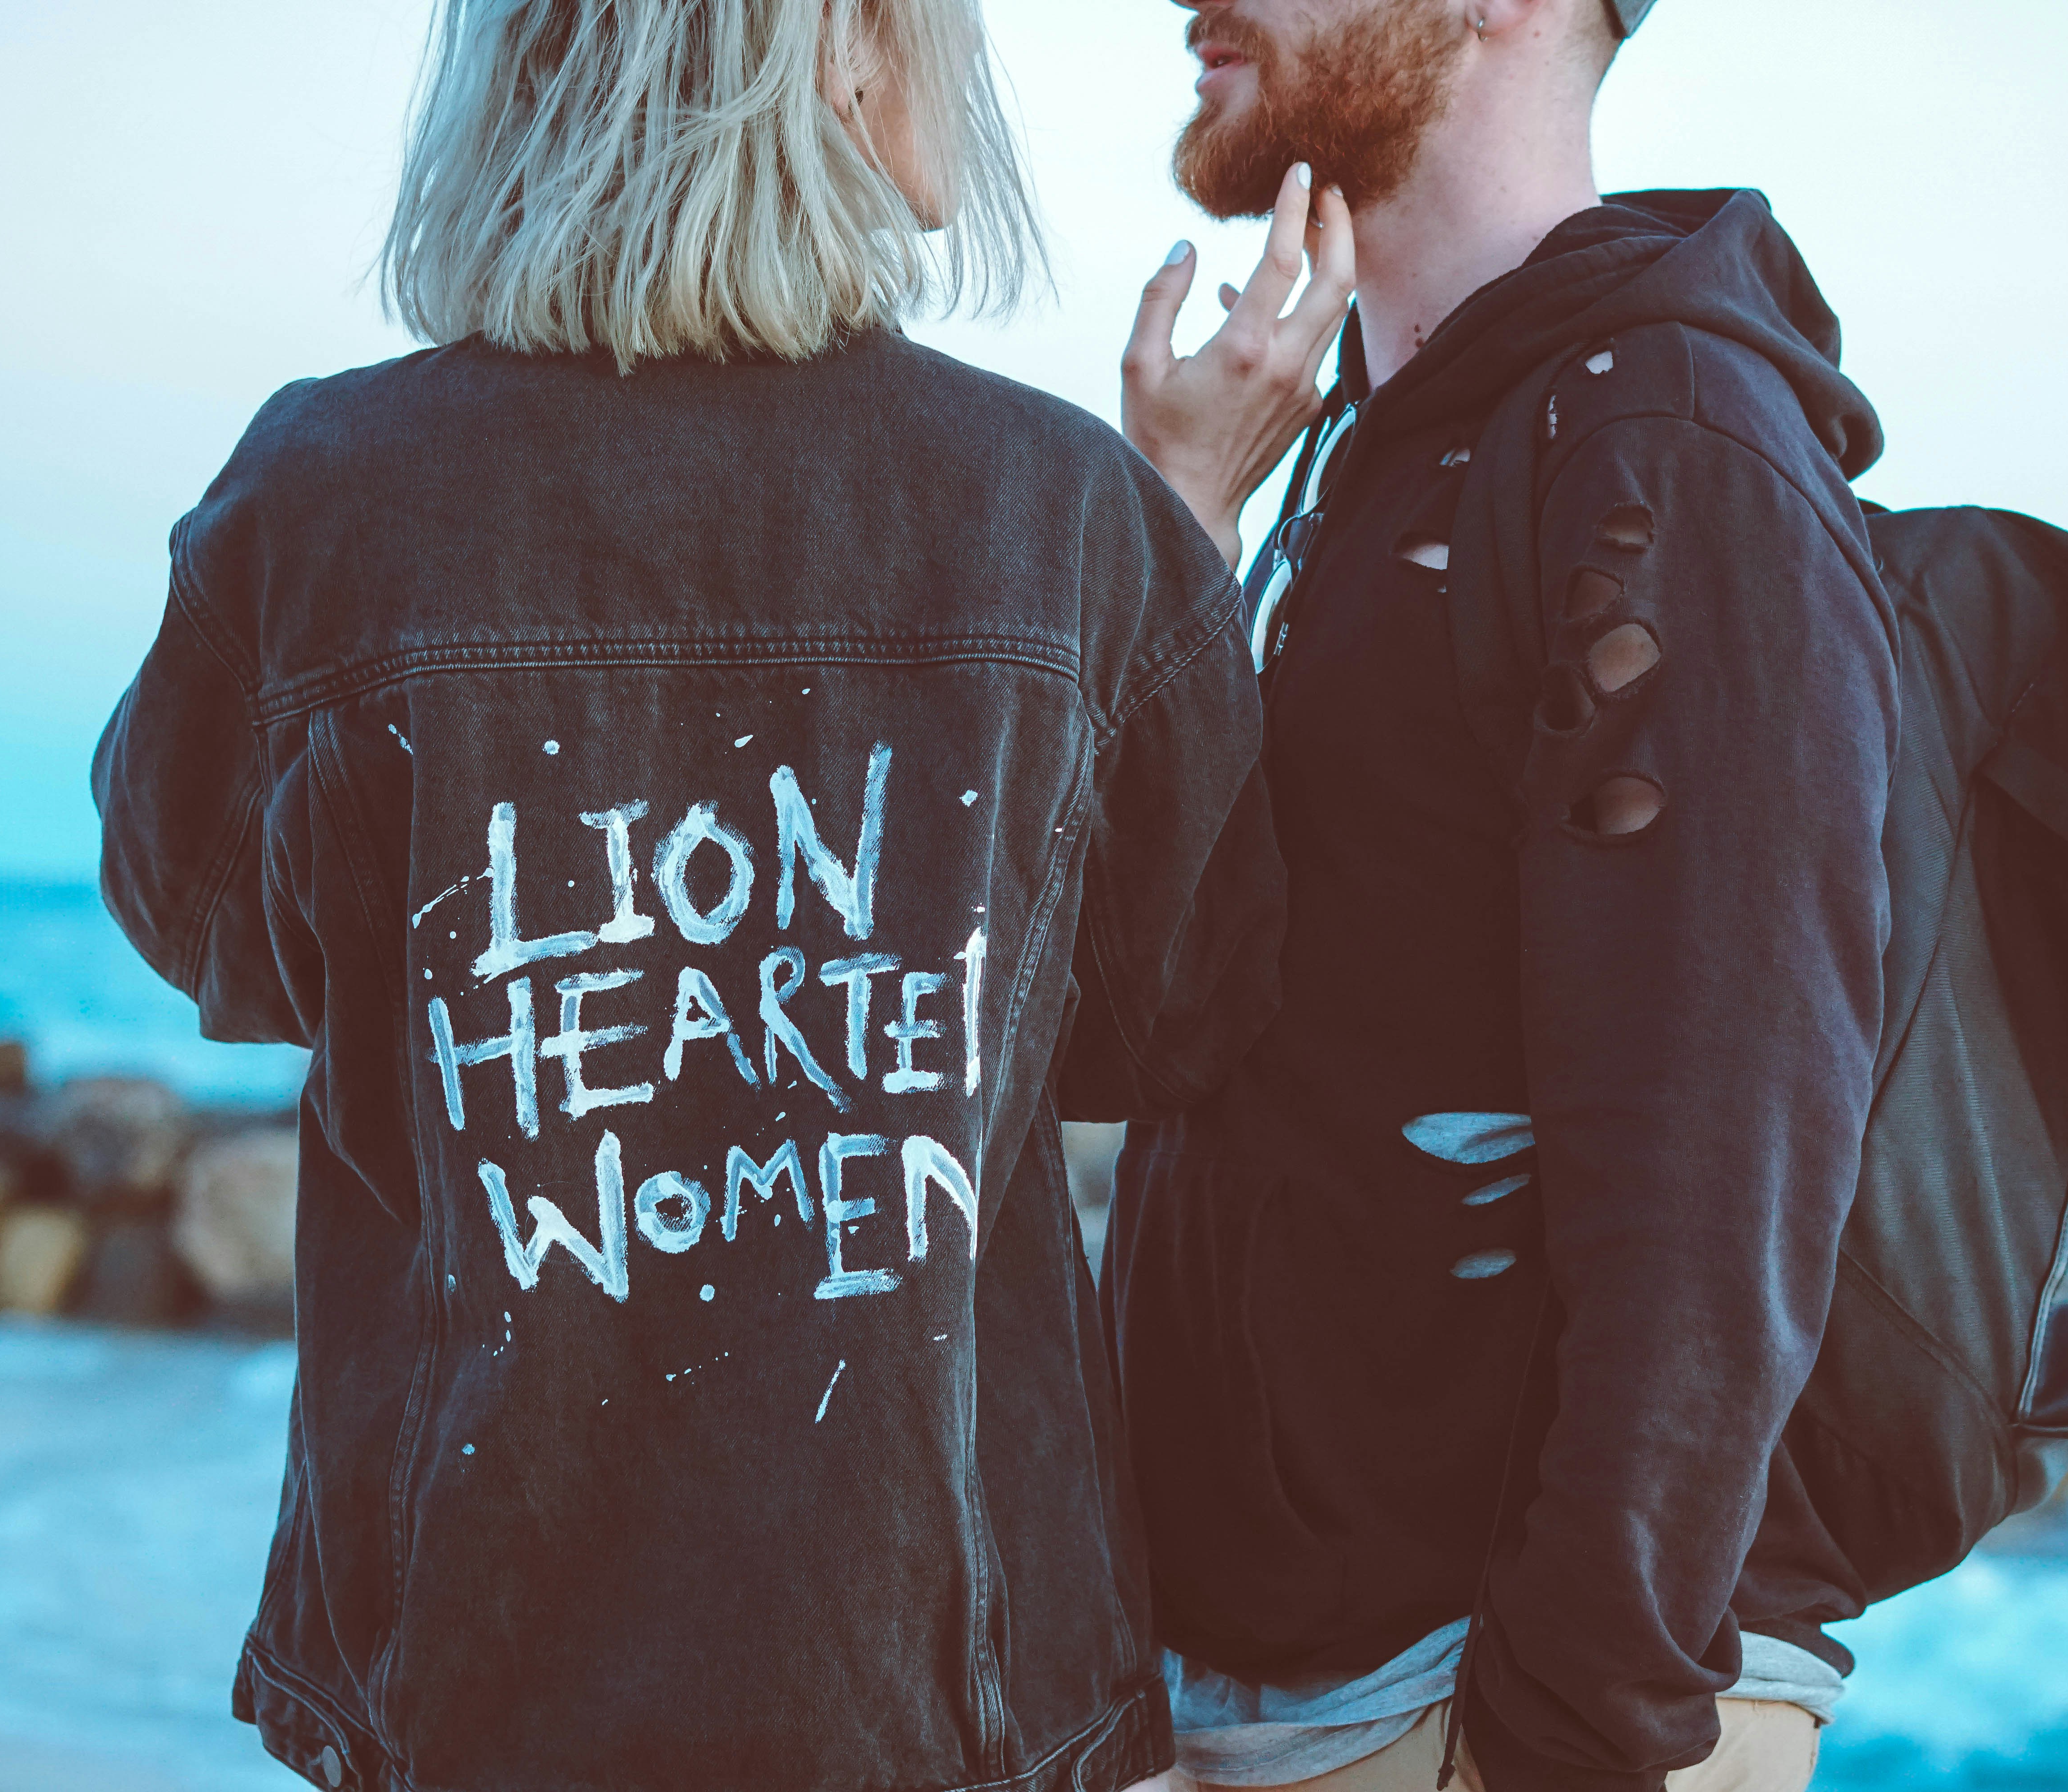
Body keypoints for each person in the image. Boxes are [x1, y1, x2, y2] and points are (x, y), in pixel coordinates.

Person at [92, 2, 1288, 1787]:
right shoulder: (1061, 512)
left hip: (468, 1676)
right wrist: (1182, 518)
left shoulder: (326, 499)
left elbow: (212, 940)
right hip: (937, 1693)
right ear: (848, 46)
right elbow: (1174, 1017)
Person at [1111, 1, 1895, 1788]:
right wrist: (1177, 520)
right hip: (1301, 1677)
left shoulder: (1673, 448)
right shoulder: (1357, 455)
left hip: (1488, 1699)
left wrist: (1569, 1733)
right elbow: (1174, 1026)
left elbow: (1729, 1175)